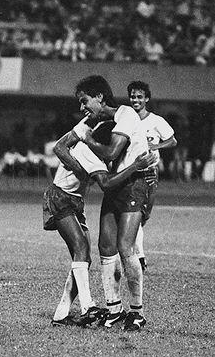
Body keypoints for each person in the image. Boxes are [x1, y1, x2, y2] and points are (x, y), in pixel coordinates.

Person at [47, 118, 157, 327]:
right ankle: (88, 306)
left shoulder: (85, 144)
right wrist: (136, 166)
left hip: (73, 201)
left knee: (83, 258)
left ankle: (61, 315)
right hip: (61, 198)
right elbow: (106, 183)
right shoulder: (92, 155)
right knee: (81, 248)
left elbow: (63, 148)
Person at [72, 75, 153, 331]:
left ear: (99, 97)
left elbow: (111, 153)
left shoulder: (127, 114)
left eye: (85, 102)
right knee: (105, 246)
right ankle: (115, 309)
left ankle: (137, 312)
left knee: (125, 246)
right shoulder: (110, 122)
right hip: (117, 185)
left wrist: (85, 138)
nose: (82, 108)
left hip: (134, 184)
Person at [127, 81, 177, 273]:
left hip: (149, 173)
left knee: (144, 216)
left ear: (146, 99)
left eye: (139, 97)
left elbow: (172, 140)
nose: (136, 100)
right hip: (131, 172)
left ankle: (136, 251)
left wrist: (154, 147)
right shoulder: (126, 119)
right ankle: (138, 255)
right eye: (133, 96)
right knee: (134, 214)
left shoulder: (156, 121)